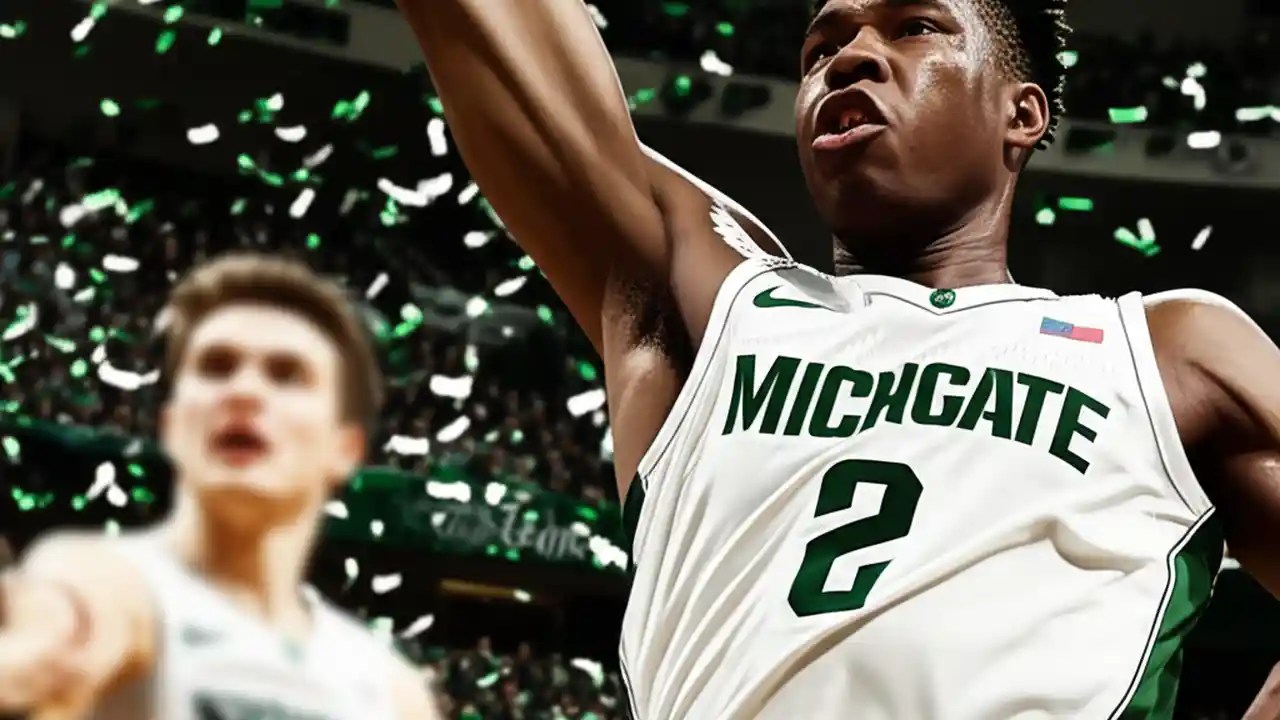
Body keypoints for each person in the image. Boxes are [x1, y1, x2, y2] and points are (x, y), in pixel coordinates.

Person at [399, 0, 1280, 717]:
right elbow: (493, 30)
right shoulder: (712, 299)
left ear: (1022, 113)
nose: (850, 57)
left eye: (914, 27)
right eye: (821, 46)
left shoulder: (1164, 350)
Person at [0, 254, 440, 719]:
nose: (244, 390)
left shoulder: (391, 691)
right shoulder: (108, 583)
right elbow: (53, 634)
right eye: (216, 366)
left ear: (345, 448)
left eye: (286, 374)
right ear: (171, 424)